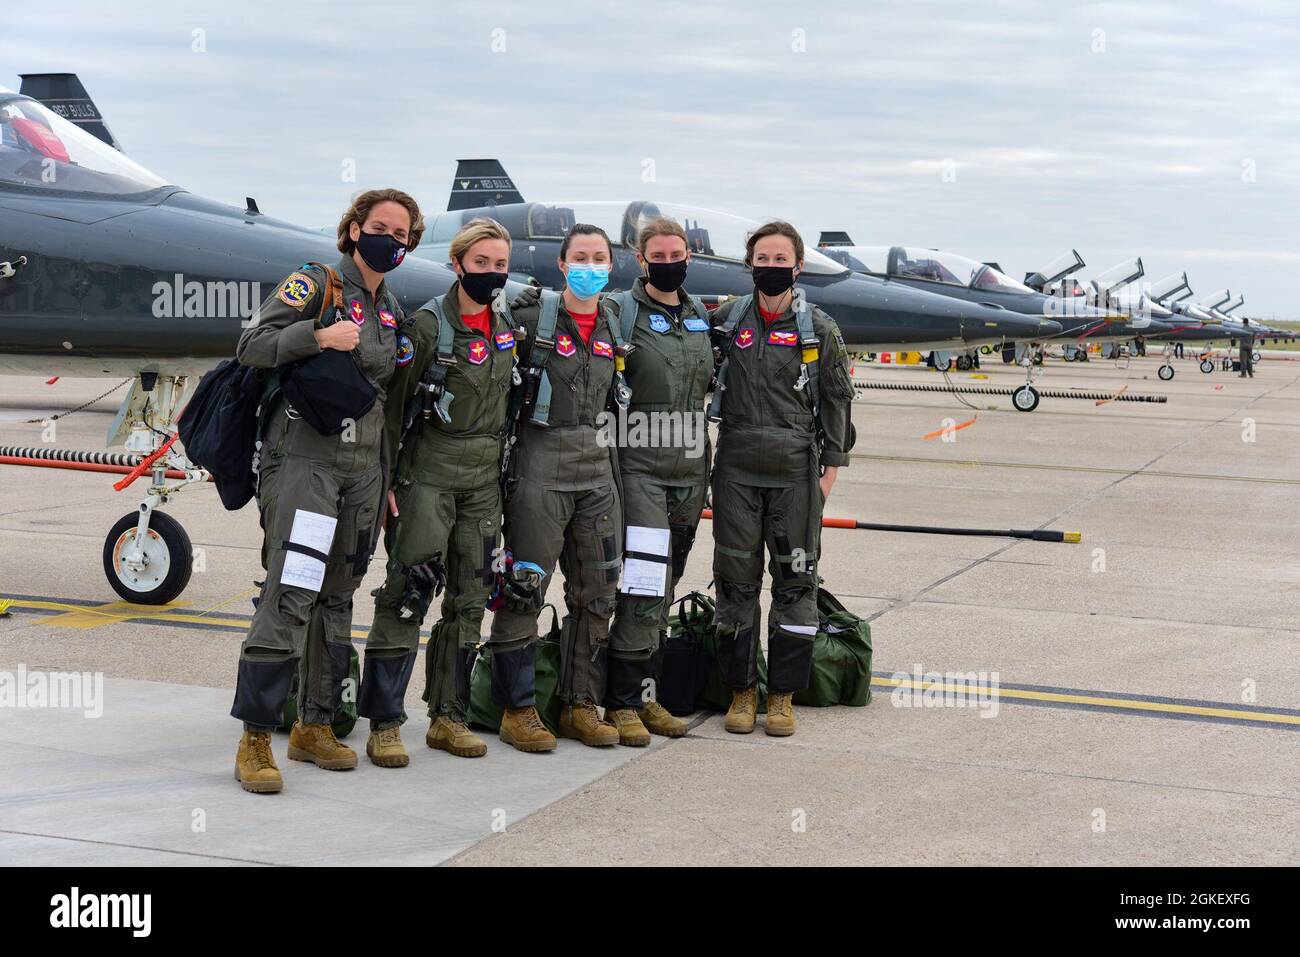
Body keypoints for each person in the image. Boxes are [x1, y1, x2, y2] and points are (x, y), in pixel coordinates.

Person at [230, 188, 424, 792]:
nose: (389, 239)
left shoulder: (391, 308)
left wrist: (386, 479)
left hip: (364, 472)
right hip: (308, 462)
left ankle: (316, 727)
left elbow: (388, 406)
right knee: (291, 590)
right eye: (380, 227)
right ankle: (256, 739)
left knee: (339, 598)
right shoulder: (316, 284)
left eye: (401, 233)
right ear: (354, 228)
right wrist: (317, 337)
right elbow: (251, 346)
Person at [356, 218, 517, 765]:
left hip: (484, 482)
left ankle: (448, 717)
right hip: (427, 477)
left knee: (471, 601)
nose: (492, 275)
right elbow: (390, 409)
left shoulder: (507, 326)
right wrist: (386, 483)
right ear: (457, 265)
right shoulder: (426, 328)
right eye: (481, 264)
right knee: (406, 597)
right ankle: (384, 723)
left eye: (500, 266)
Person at [707, 221, 857, 737]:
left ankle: (782, 696)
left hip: (796, 471)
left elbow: (837, 400)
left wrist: (829, 474)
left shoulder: (819, 328)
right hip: (735, 470)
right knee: (735, 581)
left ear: (798, 266)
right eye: (762, 259)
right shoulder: (726, 321)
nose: (771, 268)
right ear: (749, 264)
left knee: (796, 582)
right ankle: (742, 692)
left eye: (780, 260)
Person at [488, 223, 627, 752]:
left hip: (598, 467)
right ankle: (517, 709)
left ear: (611, 267)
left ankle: (579, 705)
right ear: (562, 265)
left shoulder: (615, 317)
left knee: (597, 592)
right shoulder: (528, 315)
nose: (590, 266)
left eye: (599, 257)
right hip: (539, 463)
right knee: (524, 587)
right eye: (580, 257)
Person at [600, 218, 712, 744]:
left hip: (691, 468)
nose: (670, 261)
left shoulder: (700, 315)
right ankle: (623, 704)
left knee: (666, 584)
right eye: (659, 255)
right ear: (641, 261)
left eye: (679, 252)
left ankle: (650, 696)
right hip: (640, 463)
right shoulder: (618, 313)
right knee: (642, 582)